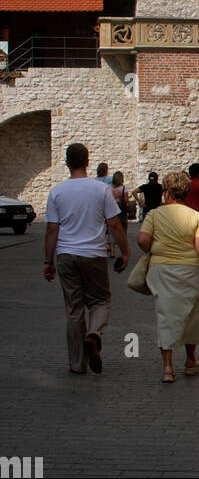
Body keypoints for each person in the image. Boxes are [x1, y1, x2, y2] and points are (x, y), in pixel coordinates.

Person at [43, 143, 129, 375]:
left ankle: (77, 364)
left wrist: (47, 261)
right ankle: (94, 334)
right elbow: (114, 224)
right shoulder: (101, 190)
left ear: (67, 163)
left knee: (74, 309)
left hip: (66, 254)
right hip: (94, 254)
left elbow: (52, 229)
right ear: (87, 161)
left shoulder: (57, 192)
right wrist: (124, 251)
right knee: (100, 301)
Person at [137, 170, 199, 382]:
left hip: (161, 269)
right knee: (191, 313)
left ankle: (168, 368)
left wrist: (156, 247)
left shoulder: (154, 214)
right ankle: (190, 360)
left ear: (167, 193)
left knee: (165, 314)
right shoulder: (195, 216)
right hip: (189, 269)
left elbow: (142, 240)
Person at [108, 171, 131, 259]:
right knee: (123, 230)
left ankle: (112, 252)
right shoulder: (123, 188)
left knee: (111, 230)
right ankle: (124, 250)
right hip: (121, 211)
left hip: (111, 210)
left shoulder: (108, 188)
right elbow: (126, 201)